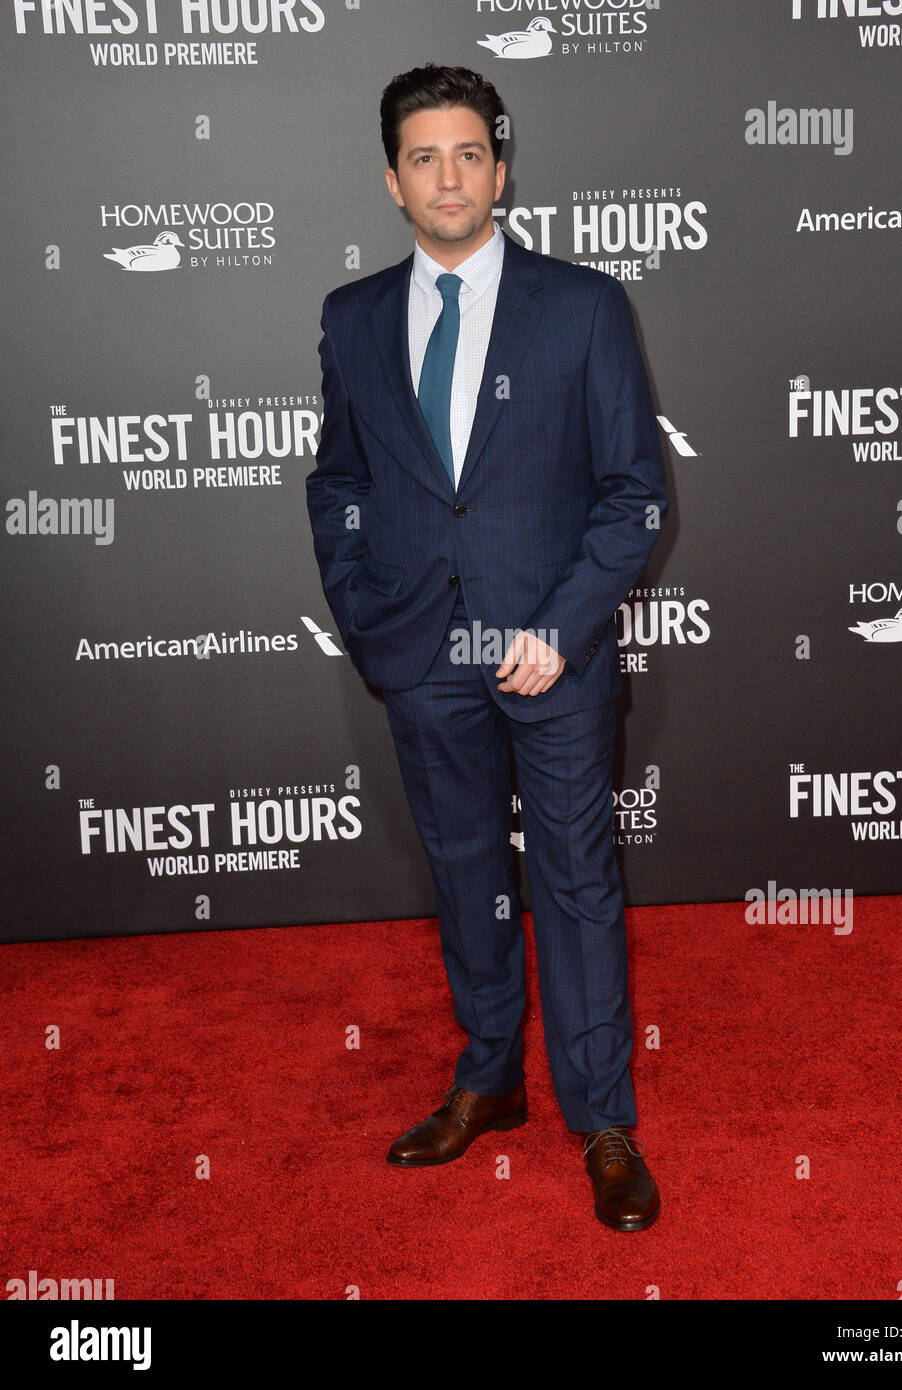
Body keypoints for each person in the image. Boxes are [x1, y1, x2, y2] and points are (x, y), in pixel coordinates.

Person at [306, 63, 670, 1231]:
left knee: (570, 880)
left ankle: (601, 1116)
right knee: (465, 874)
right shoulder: (353, 318)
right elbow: (341, 481)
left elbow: (633, 494)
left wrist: (559, 631)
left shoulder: (581, 307)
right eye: (423, 157)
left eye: (469, 153)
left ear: (501, 170)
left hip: (548, 655)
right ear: (391, 180)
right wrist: (366, 614)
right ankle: (489, 1078)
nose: (448, 176)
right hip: (419, 655)